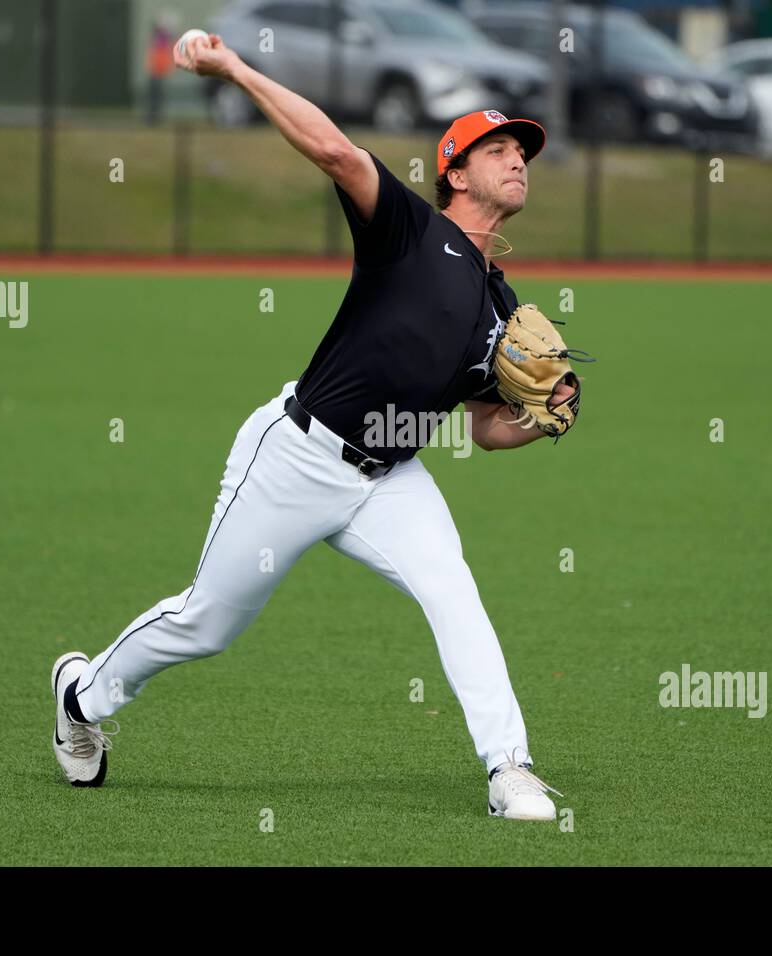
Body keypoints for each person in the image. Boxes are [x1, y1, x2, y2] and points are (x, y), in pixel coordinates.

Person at [48, 30, 581, 820]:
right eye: (496, 148)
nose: (517, 160)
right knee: (206, 623)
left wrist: (545, 419)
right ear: (455, 172)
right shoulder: (407, 229)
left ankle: (510, 769)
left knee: (453, 590)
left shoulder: (504, 310)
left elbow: (486, 431)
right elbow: (334, 150)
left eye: (523, 151)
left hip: (390, 479)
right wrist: (232, 67)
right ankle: (81, 696)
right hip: (297, 456)